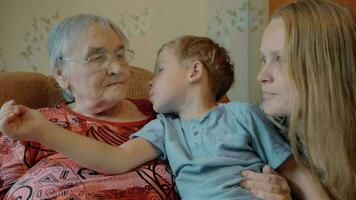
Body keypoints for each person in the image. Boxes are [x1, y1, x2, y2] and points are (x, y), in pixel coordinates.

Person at [0, 35, 326, 199]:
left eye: (160, 69)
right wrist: (43, 131)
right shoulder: (165, 128)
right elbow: (113, 160)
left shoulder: (242, 114)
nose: (150, 81)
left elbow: (294, 169)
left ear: (194, 72)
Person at [0, 14, 178, 199]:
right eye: (96, 58)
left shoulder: (164, 118)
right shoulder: (31, 126)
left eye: (120, 55)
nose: (117, 68)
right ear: (61, 74)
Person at [240, 0, 356, 199]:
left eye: (279, 59)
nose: (261, 75)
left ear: (323, 67)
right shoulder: (256, 134)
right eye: (263, 59)